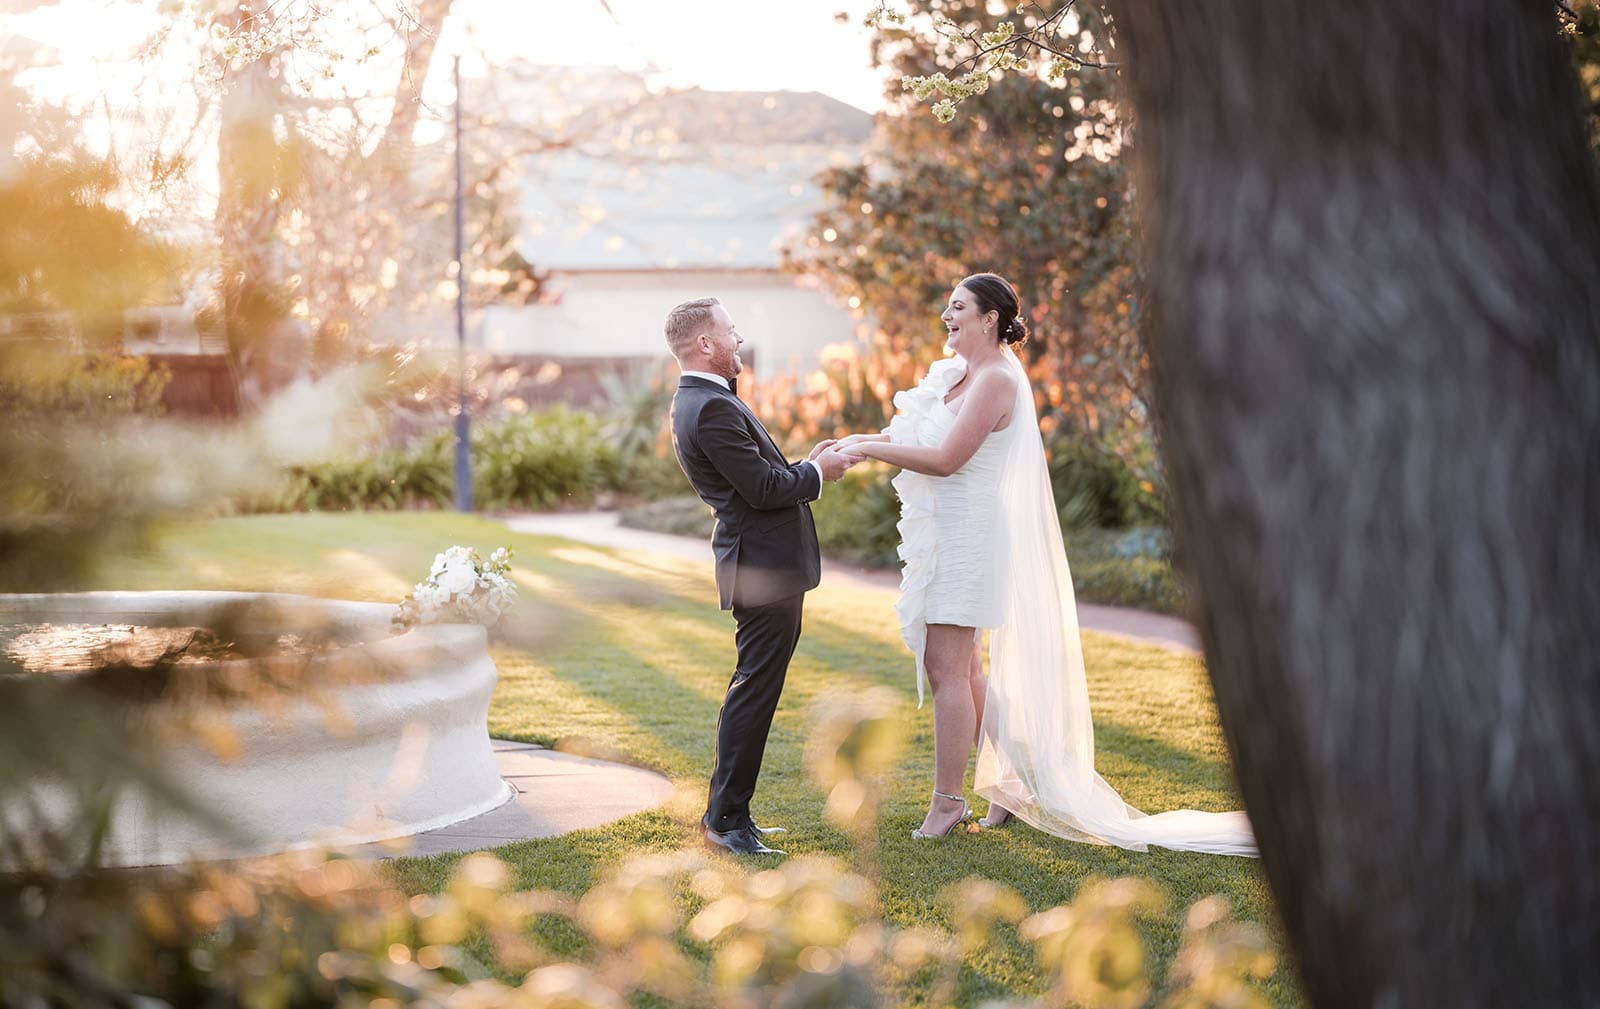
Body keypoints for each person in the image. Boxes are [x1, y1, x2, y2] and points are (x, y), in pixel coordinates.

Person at [839, 273, 1256, 855]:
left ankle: (947, 801)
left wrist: (863, 450)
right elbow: (916, 435)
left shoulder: (996, 380)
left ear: (989, 318)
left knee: (946, 667)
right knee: (968, 669)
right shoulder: (964, 375)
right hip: (950, 534)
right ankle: (1006, 789)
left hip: (972, 540)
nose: (945, 315)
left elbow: (945, 459)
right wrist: (850, 442)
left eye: (957, 307)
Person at [664, 296, 856, 857]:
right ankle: (725, 822)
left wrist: (805, 463)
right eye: (730, 329)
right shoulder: (711, 406)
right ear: (705, 342)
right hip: (763, 568)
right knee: (753, 691)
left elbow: (761, 476)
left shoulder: (704, 400)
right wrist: (820, 473)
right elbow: (764, 492)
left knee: (753, 688)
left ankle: (730, 816)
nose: (739, 338)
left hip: (761, 563)